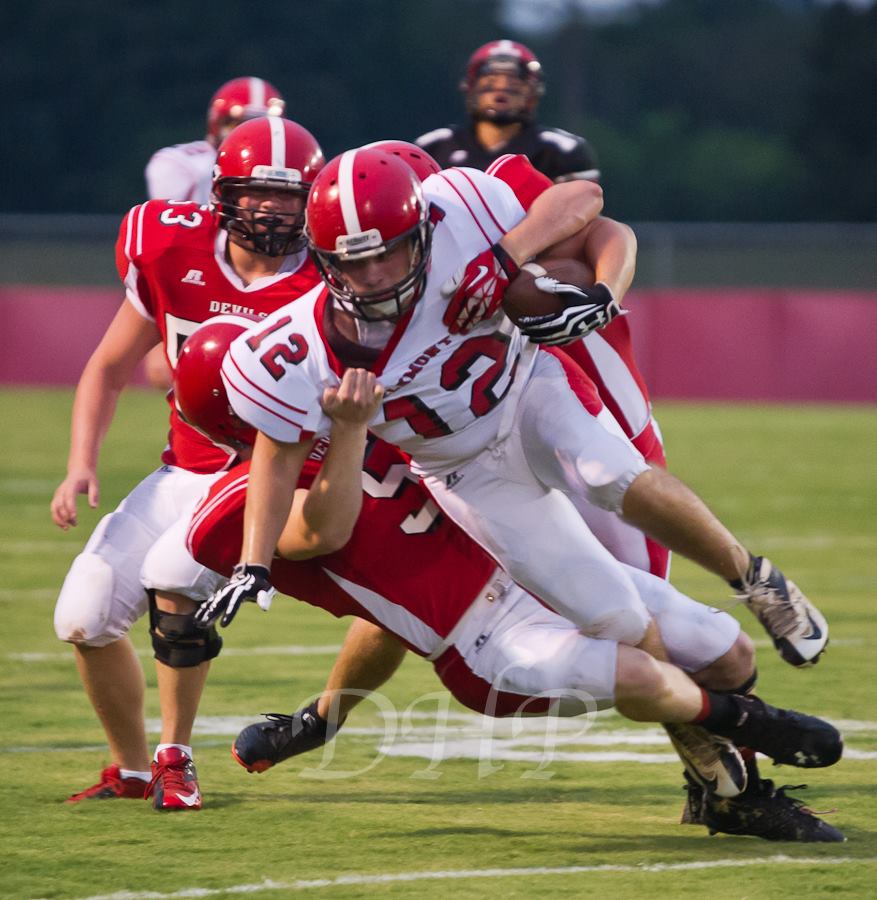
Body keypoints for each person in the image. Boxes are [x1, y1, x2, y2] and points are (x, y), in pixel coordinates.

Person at [173, 324, 843, 842]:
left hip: (532, 565)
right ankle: (752, 740)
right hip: (483, 643)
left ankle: (719, 795)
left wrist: (324, 715)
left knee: (729, 653)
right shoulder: (238, 511)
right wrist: (348, 430)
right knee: (642, 672)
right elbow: (325, 531)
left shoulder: (361, 416)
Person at [205, 147, 828, 673]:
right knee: (605, 610)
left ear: (423, 227)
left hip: (528, 392)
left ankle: (757, 579)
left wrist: (505, 256)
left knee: (609, 472)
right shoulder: (297, 344)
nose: (370, 275)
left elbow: (584, 200)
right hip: (460, 468)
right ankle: (698, 727)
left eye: (385, 253)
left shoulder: (463, 213)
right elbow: (275, 461)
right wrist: (254, 563)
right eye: (352, 260)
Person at [50, 115, 325, 810]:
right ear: (222, 192)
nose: (271, 208)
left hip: (265, 475)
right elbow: (109, 366)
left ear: (310, 200)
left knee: (174, 580)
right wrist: (81, 462)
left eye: (287, 195)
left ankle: (176, 758)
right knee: (83, 617)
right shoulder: (172, 248)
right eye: (257, 192)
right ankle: (131, 768)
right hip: (183, 468)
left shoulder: (330, 284)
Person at [142, 76, 287, 390]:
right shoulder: (186, 165)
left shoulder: (290, 167)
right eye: (239, 122)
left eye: (264, 122)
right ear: (218, 124)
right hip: (202, 278)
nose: (251, 131)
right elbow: (169, 251)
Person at [416, 40, 599, 183]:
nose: (500, 93)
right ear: (470, 88)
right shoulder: (433, 147)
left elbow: (579, 213)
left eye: (513, 85)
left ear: (532, 94)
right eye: (490, 83)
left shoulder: (561, 151)